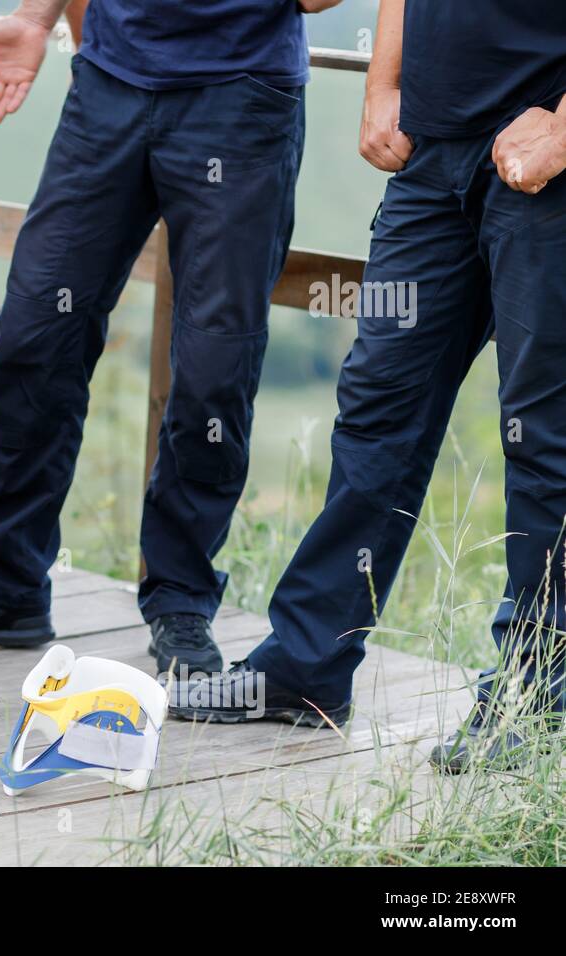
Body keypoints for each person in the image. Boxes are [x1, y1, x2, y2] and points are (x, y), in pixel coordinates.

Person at [171, 0, 566, 773]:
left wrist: (561, 128)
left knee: (544, 436)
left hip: (543, 161)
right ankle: (308, 666)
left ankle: (532, 697)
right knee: (376, 412)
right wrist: (382, 87)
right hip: (432, 157)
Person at [0, 0, 339, 678]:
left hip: (241, 99)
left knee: (215, 364)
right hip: (110, 86)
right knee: (36, 329)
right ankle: (8, 582)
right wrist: (37, 19)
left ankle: (180, 596)